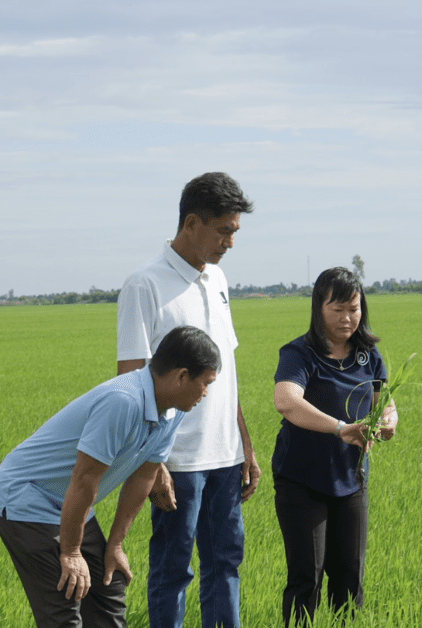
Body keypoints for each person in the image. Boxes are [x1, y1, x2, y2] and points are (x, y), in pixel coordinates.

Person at [0, 326, 221, 628]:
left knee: (108, 588)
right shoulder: (123, 401)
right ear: (181, 376)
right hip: (26, 497)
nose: (205, 393)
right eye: (205, 384)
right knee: (64, 605)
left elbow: (143, 477)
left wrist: (115, 545)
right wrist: (71, 552)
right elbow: (85, 479)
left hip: (68, 501)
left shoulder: (173, 410)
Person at [116, 172, 259, 628]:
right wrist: (151, 461)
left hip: (224, 455)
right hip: (175, 459)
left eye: (234, 233)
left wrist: (245, 446)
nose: (229, 243)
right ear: (191, 223)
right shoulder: (144, 285)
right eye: (223, 231)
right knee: (174, 569)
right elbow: (130, 380)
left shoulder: (217, 280)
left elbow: (226, 372)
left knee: (225, 563)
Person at [270, 267, 399, 626]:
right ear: (318, 308)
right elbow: (286, 401)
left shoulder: (367, 354)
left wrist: (389, 422)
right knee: (306, 577)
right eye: (337, 309)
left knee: (349, 577)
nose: (347, 318)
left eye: (354, 309)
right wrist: (341, 428)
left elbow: (384, 403)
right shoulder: (300, 353)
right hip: (302, 479)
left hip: (351, 478)